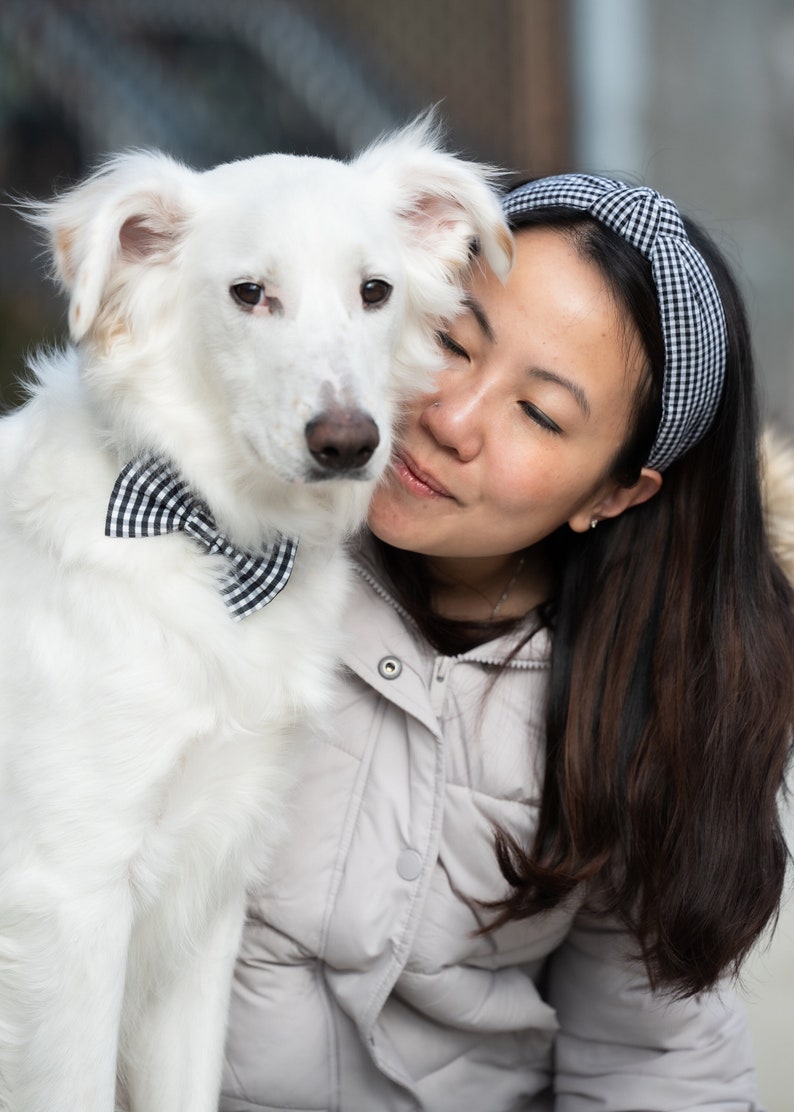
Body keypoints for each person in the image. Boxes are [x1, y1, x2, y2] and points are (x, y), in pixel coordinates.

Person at [219, 174, 794, 1111]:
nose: (451, 419)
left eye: (539, 414)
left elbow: (654, 1061)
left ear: (614, 494)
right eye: (449, 339)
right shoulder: (204, 554)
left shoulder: (639, 699)